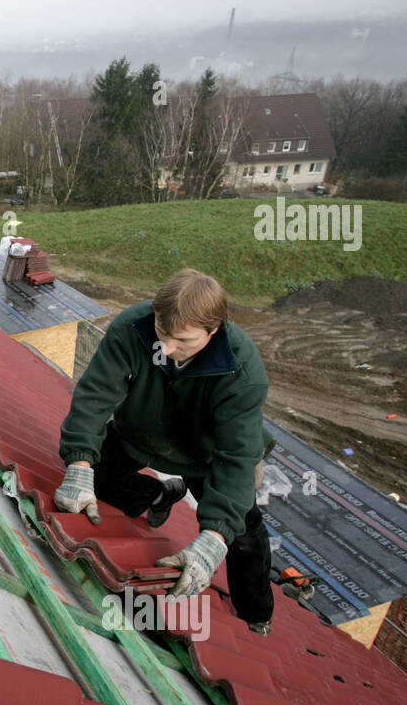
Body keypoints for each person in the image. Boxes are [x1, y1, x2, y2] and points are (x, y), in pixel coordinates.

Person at [53, 268, 276, 634]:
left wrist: (214, 539)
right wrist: (79, 463)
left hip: (207, 455)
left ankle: (256, 616)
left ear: (213, 331)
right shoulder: (132, 328)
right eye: (162, 333)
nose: (168, 349)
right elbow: (94, 395)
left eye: (183, 341)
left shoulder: (243, 371)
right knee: (97, 481)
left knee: (243, 534)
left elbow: (236, 457)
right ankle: (159, 494)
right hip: (142, 433)